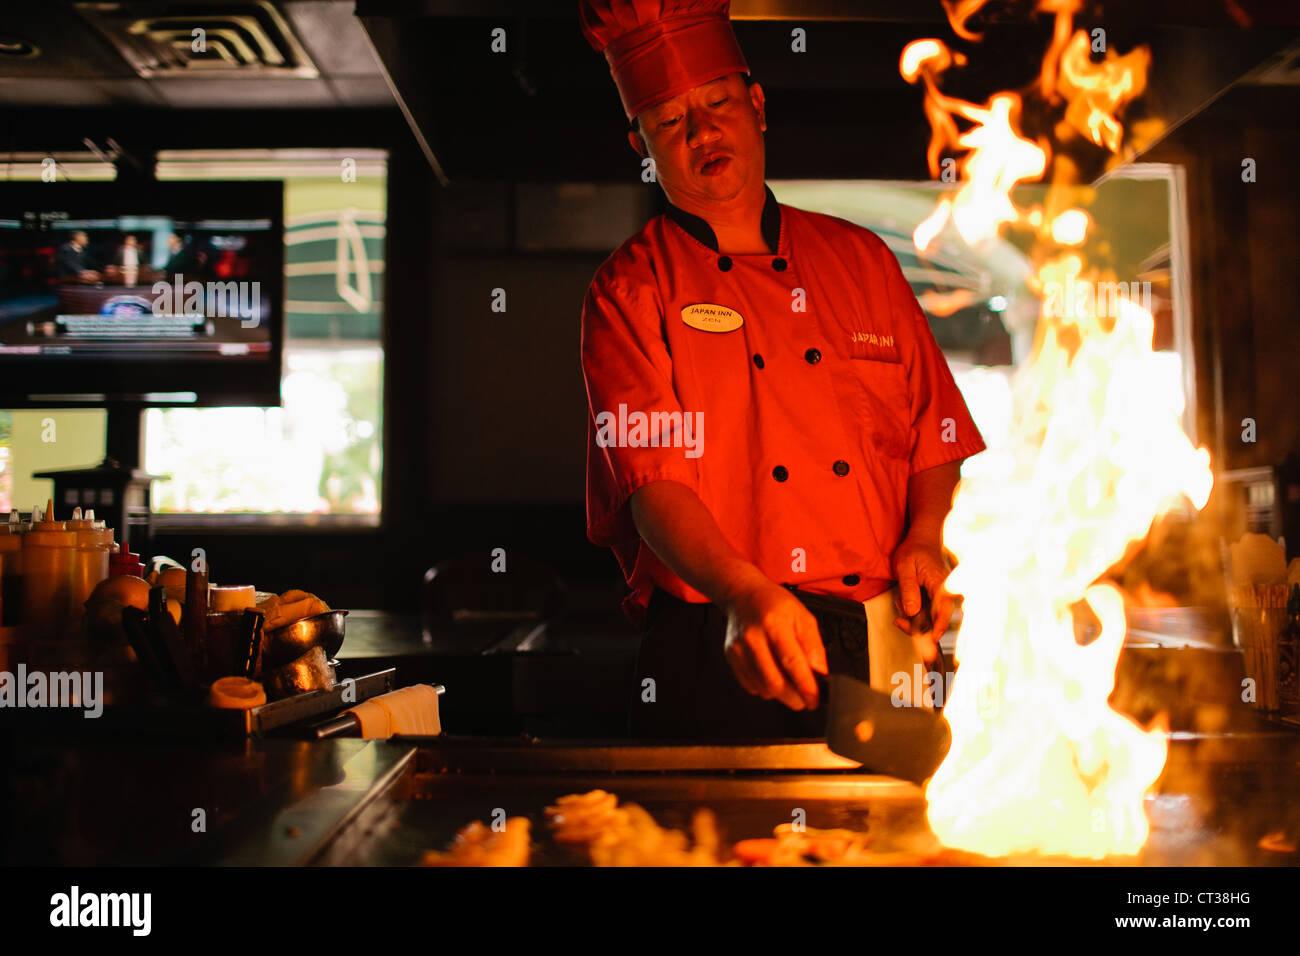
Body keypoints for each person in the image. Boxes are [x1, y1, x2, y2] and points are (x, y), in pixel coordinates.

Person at [578, 0, 988, 737]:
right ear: (639, 140)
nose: (702, 131)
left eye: (718, 103)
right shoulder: (631, 289)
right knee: (709, 846)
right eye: (670, 121)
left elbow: (938, 433)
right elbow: (650, 482)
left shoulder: (861, 259)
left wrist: (925, 537)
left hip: (885, 634)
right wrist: (742, 594)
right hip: (724, 635)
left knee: (896, 845)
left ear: (756, 106)